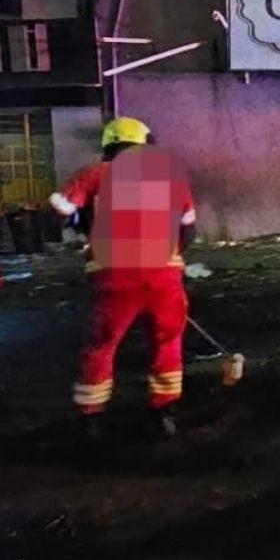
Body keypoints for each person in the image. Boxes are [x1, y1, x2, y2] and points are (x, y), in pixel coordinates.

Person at [50, 116, 196, 438]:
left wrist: (80, 216)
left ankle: (91, 418)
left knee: (101, 345)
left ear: (109, 146)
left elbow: (59, 206)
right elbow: (189, 229)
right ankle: (163, 411)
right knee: (167, 342)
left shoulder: (95, 173)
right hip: (164, 277)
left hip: (115, 277)